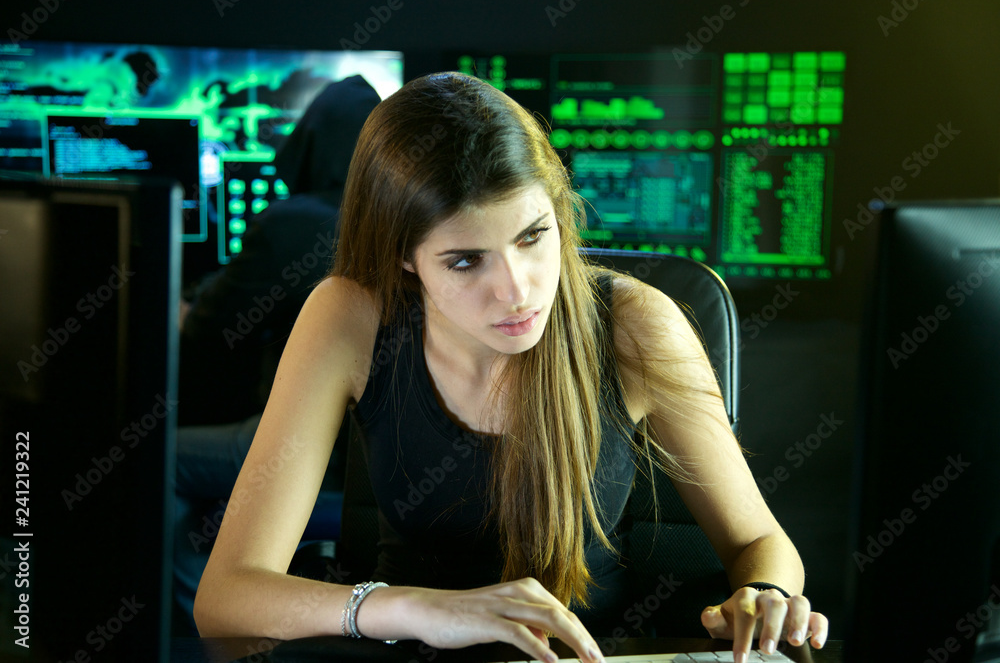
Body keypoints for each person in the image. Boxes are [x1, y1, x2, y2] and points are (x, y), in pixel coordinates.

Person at [194, 72, 829, 663]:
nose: (518, 290)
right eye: (466, 261)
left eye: (532, 236)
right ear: (404, 259)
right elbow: (224, 601)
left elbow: (759, 544)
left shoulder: (636, 324)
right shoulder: (350, 316)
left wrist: (766, 592)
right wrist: (415, 609)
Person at [173, 75, 381, 634]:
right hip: (379, 461)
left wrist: (180, 306)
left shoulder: (294, 221)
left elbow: (206, 332)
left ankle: (207, 630)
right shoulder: (400, 222)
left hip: (312, 449)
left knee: (160, 459)